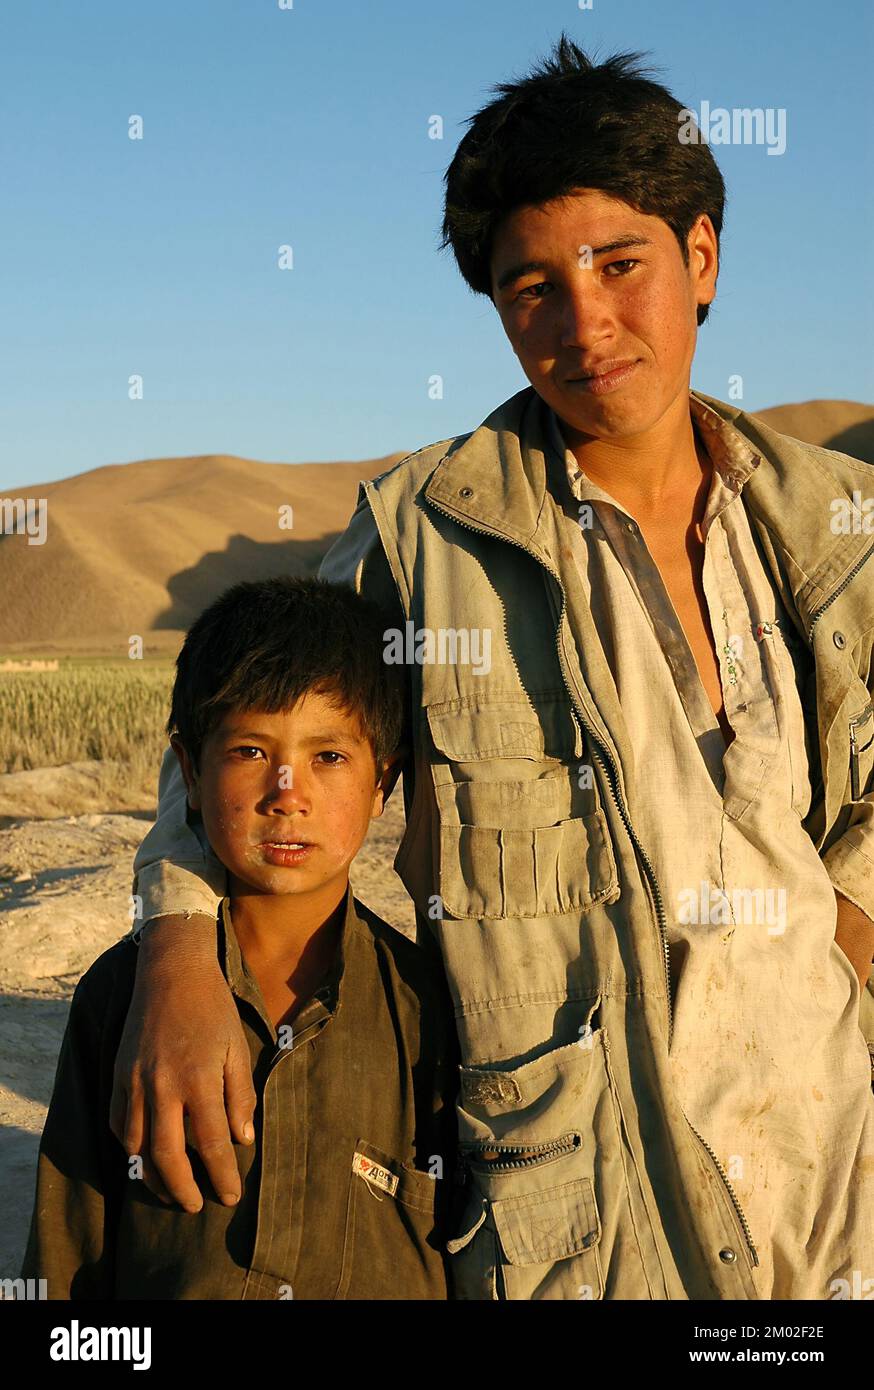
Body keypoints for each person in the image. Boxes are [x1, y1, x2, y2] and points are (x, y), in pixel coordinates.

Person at [112, 37, 874, 1300]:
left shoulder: (832, 525)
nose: (584, 325)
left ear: (701, 258)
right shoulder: (428, 536)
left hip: (830, 1180)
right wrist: (175, 952)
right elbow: (246, 720)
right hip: (582, 1219)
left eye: (620, 265)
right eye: (531, 289)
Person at [20, 576, 460, 1299]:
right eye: (251, 751)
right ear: (189, 771)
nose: (288, 791)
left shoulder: (426, 1011)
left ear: (384, 783)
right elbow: (69, 1256)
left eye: (330, 757)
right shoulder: (125, 997)